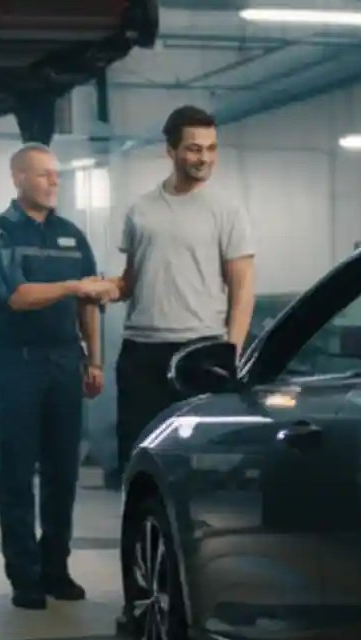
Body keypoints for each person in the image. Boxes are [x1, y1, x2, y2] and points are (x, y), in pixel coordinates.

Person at [0, 143, 117, 610]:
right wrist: (74, 285)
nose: (54, 182)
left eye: (56, 175)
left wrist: (94, 359)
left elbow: (89, 302)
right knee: (17, 472)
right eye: (43, 175)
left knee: (63, 471)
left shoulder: (72, 236)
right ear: (18, 178)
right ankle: (25, 576)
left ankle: (57, 568)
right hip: (17, 363)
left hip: (63, 362)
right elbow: (16, 296)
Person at [109, 105, 256, 479]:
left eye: (210, 148)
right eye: (193, 148)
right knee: (138, 456)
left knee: (198, 463)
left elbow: (242, 289)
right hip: (140, 352)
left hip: (200, 350)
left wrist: (230, 354)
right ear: (171, 151)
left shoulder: (227, 211)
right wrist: (92, 288)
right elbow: (130, 281)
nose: (204, 157)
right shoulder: (140, 210)